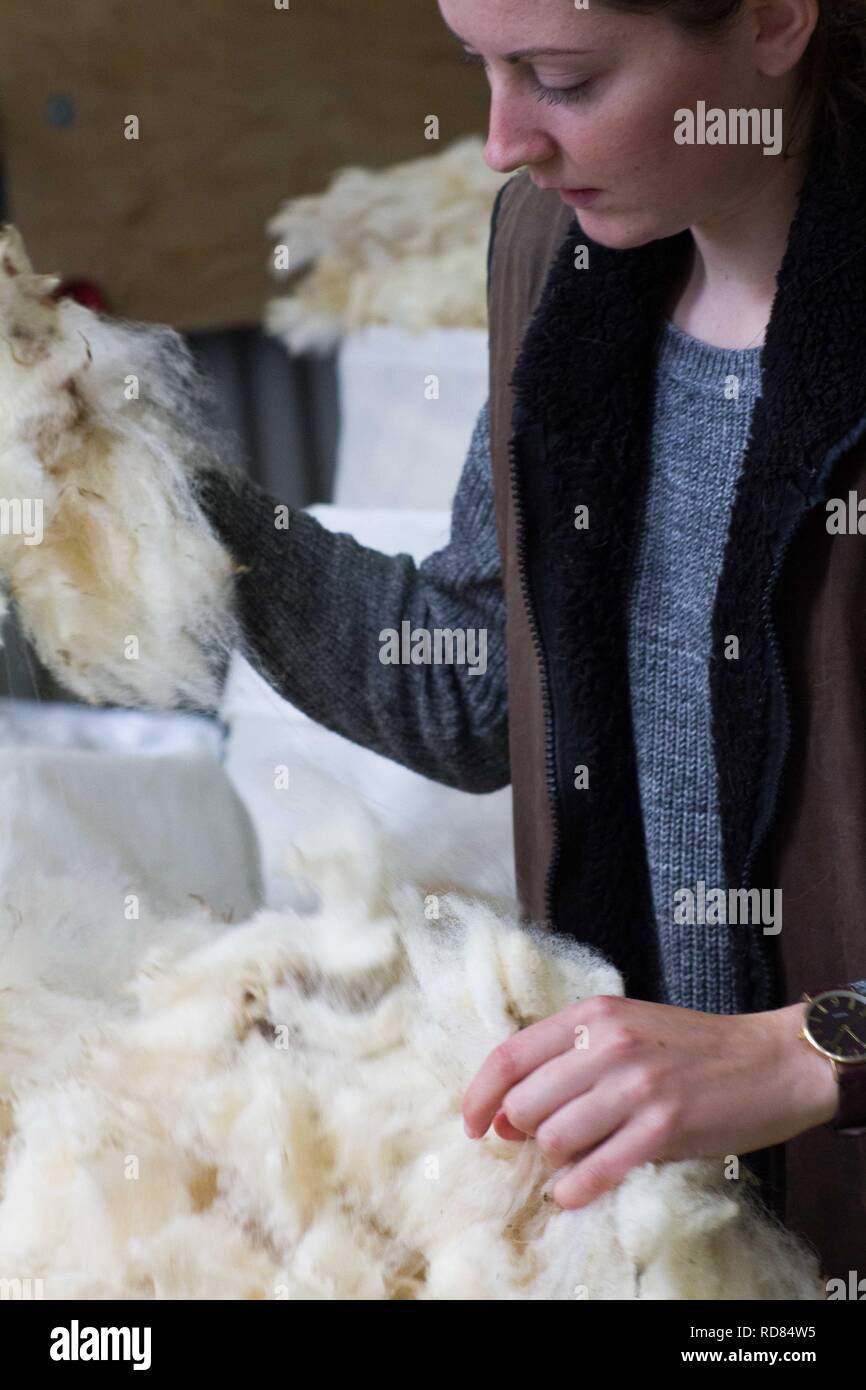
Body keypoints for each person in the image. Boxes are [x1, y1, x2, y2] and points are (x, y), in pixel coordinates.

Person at [196, 0, 866, 1283]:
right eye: (479, 68)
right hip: (676, 1225)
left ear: (776, 19)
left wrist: (804, 1052)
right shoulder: (558, 259)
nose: (502, 141)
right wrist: (147, 492)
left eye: (559, 78)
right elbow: (487, 683)